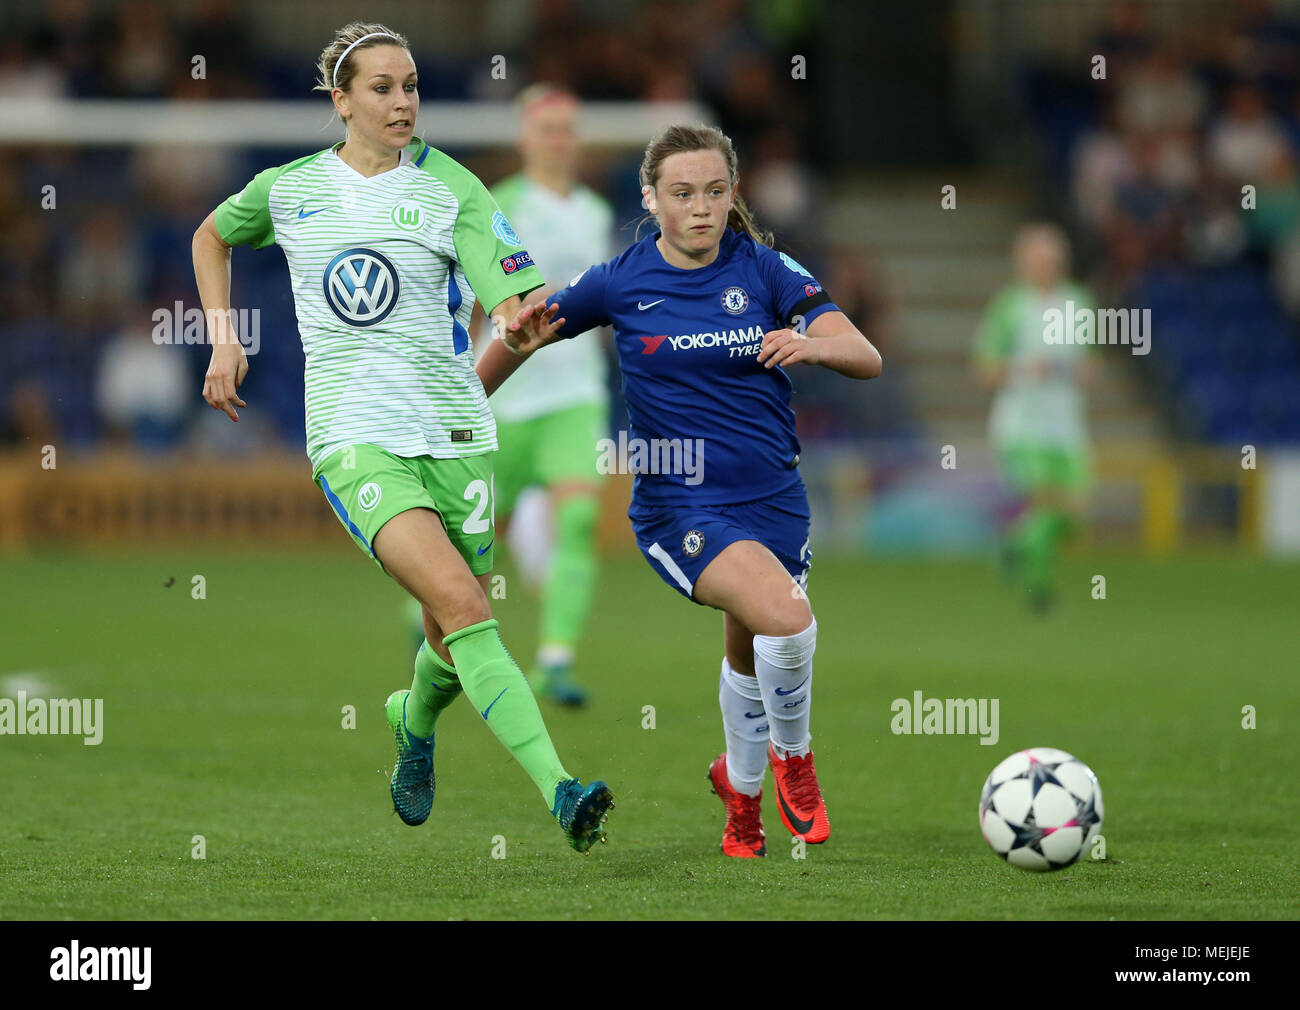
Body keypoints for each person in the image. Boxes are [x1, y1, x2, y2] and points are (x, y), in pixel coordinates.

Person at [191, 22, 612, 852]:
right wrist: (223, 335)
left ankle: (411, 724)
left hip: (457, 433)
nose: (402, 101)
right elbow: (212, 235)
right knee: (463, 606)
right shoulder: (288, 189)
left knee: (448, 638)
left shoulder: (453, 188)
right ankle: (561, 790)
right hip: (355, 437)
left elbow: (510, 301)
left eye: (411, 85)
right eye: (381, 88)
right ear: (340, 100)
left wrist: (518, 328)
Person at [484, 124, 882, 857]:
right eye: (681, 193)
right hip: (681, 508)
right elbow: (524, 333)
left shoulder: (766, 270)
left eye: (713, 191)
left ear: (733, 193)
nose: (699, 208)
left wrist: (814, 344)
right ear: (651, 198)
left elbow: (865, 354)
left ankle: (742, 802)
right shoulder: (619, 281)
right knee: (788, 624)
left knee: (751, 648)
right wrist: (471, 399)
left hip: (774, 500)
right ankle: (796, 761)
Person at [409, 83, 613, 707]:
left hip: (575, 396)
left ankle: (555, 660)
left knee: (578, 519)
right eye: (548, 129)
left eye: (569, 129)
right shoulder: (496, 205)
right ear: (526, 138)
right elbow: (469, 295)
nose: (560, 140)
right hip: (503, 396)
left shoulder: (597, 213)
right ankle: (428, 626)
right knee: (469, 542)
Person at [973, 223, 1097, 612]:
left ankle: (1015, 545)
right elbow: (985, 370)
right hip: (1022, 423)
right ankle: (1039, 591)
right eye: (1037, 260)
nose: (1045, 267)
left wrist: (1082, 373)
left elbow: (1089, 365)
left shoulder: (1078, 303)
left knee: (1075, 514)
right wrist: (1027, 368)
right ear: (1023, 264)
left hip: (1067, 425)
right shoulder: (1010, 306)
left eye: (1052, 260)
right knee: (1045, 503)